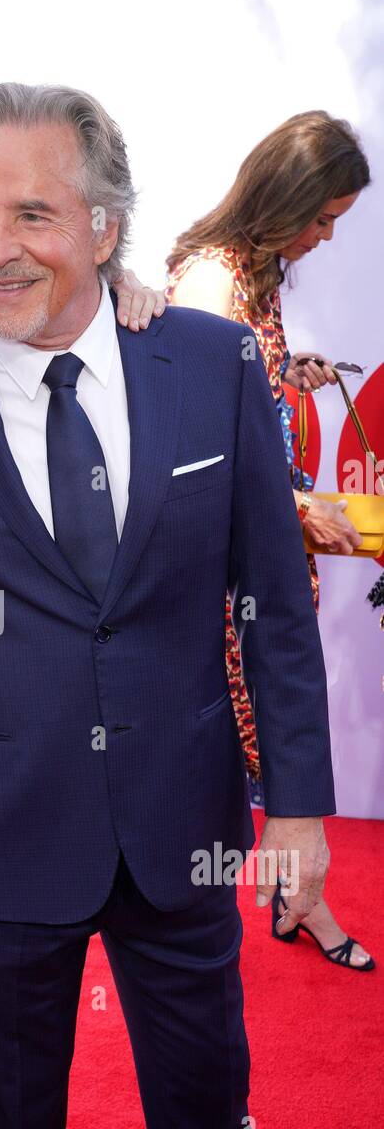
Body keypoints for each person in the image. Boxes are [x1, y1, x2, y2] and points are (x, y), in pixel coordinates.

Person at [0, 82, 337, 1129]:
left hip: (182, 826)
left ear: (104, 228)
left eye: (33, 214)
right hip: (5, 831)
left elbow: (275, 604)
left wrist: (296, 807)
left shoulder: (208, 360)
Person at [164, 110, 373, 972]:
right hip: (223, 581)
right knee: (269, 746)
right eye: (322, 218)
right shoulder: (212, 279)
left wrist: (290, 373)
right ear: (286, 197)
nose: (326, 238)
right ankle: (285, 907)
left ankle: (292, 900)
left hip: (261, 562)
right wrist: (293, 508)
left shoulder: (255, 275)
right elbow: (189, 453)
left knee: (281, 742)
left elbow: (235, 388)